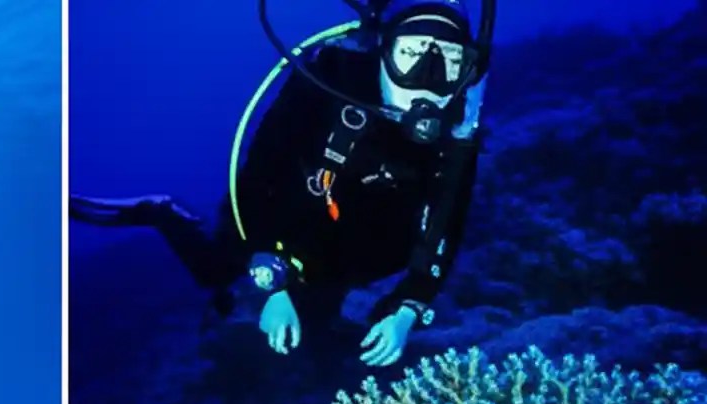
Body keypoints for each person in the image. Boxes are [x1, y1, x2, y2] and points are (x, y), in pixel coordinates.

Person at [71, 0, 489, 368]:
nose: (427, 80)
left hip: (356, 245)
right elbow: (259, 173)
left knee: (316, 328)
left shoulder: (458, 126)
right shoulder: (329, 81)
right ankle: (162, 210)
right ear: (382, 51)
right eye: (412, 54)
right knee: (215, 272)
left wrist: (409, 306)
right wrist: (272, 281)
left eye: (449, 61)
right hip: (280, 216)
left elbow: (448, 223)